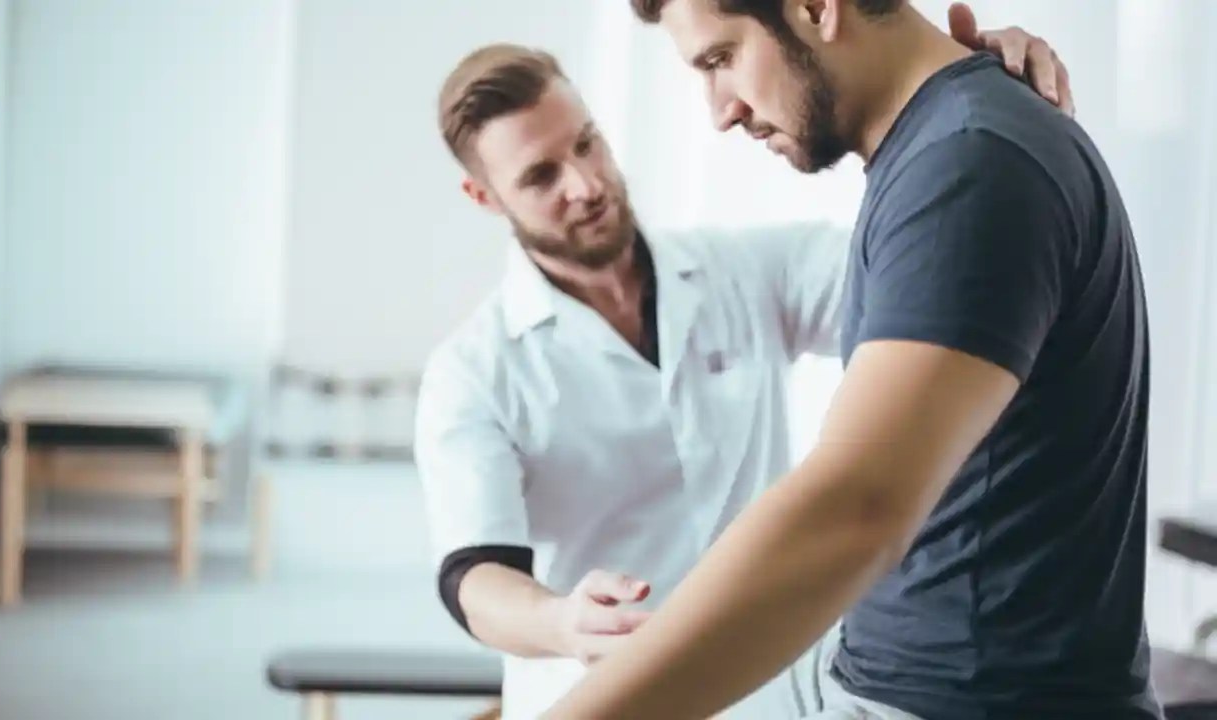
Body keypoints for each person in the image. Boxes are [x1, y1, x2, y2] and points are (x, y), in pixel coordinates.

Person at [416, 6, 1073, 719]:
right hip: (601, 693)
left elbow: (931, 268)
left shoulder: (742, 272)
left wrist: (969, 82)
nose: (585, 185)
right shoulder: (473, 371)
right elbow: (474, 575)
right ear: (484, 198)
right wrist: (560, 621)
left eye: (587, 145)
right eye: (542, 176)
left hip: (770, 694)